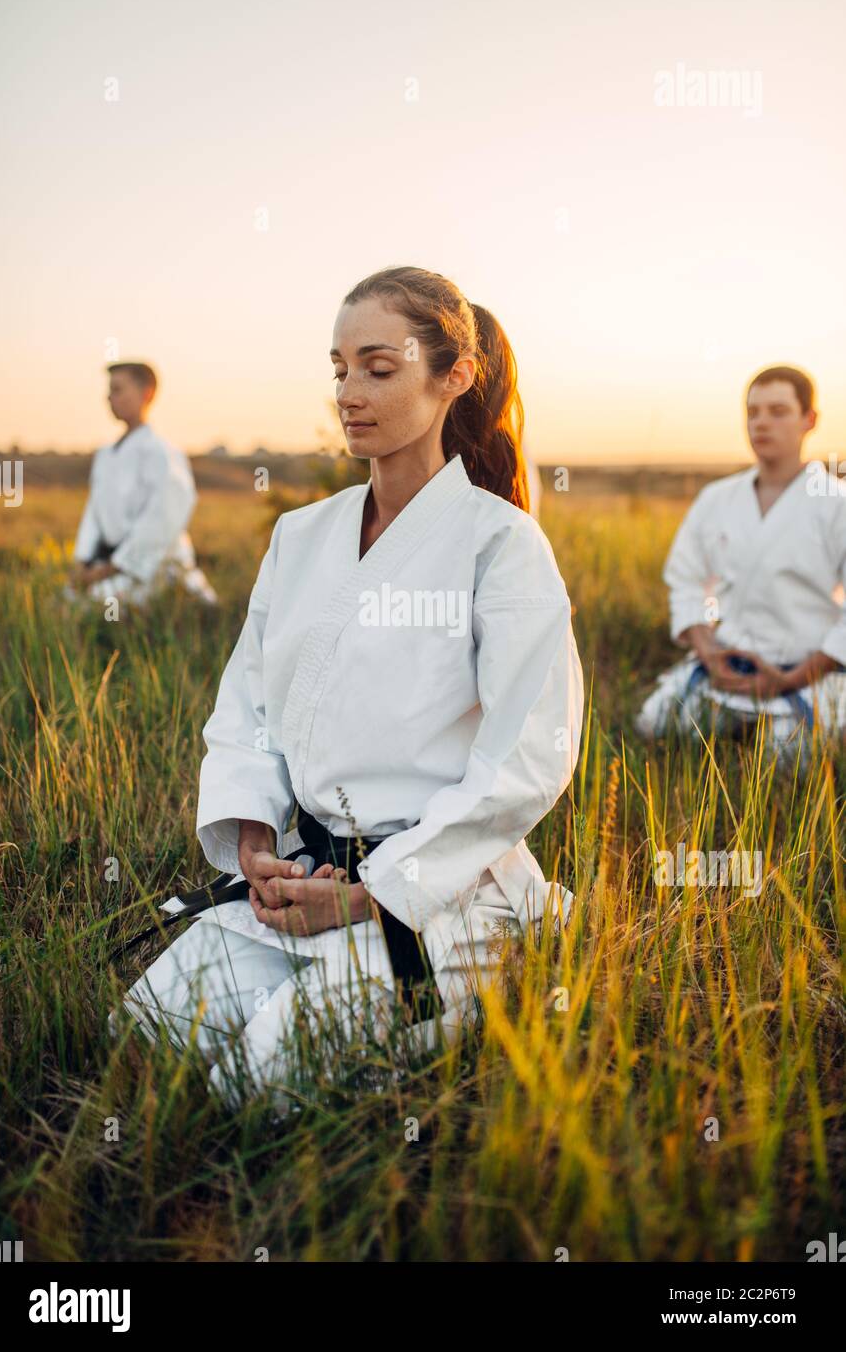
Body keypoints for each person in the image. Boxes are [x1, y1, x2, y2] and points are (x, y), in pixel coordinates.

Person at [114, 267, 584, 1108]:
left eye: (378, 367)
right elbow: (246, 709)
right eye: (338, 367)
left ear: (454, 377)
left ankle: (501, 959)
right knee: (147, 1031)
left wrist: (378, 890)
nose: (348, 391)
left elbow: (526, 757)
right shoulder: (301, 536)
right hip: (308, 874)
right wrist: (255, 841)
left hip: (439, 891)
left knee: (263, 1084)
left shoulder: (500, 545)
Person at [636, 365, 846, 752]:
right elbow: (685, 578)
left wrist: (790, 678)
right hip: (727, 667)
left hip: (809, 672)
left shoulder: (837, 503)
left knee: (786, 759)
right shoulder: (717, 497)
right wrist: (709, 653)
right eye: (753, 412)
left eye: (778, 411)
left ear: (809, 419)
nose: (761, 423)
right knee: (654, 723)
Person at [66, 362, 218, 608]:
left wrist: (113, 567)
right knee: (68, 602)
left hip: (152, 566)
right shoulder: (105, 454)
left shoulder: (162, 453)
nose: (109, 398)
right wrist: (84, 562)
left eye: (117, 390)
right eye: (109, 391)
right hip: (105, 563)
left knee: (96, 605)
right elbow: (94, 513)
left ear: (146, 393)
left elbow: (161, 519)